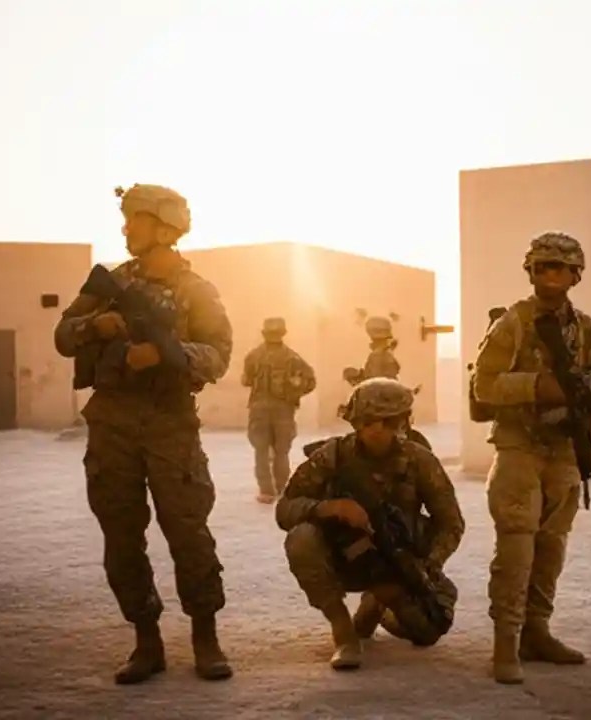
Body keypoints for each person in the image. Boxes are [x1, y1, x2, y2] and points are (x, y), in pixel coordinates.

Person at [53, 183, 235, 684]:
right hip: (112, 421)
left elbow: (219, 354)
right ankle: (146, 640)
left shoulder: (197, 291)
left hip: (170, 422)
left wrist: (165, 353)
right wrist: (99, 326)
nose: (125, 227)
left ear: (163, 226)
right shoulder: (108, 283)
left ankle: (205, 636)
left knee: (187, 531)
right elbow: (63, 335)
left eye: (134, 218)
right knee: (120, 535)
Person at [468, 231, 591, 684]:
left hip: (564, 450)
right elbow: (484, 387)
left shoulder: (586, 330)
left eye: (561, 267)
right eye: (543, 267)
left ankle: (537, 631)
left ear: (576, 275)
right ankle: (505, 645)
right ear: (530, 272)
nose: (551, 275)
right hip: (519, 447)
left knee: (550, 547)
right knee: (517, 544)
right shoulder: (514, 322)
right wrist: (536, 386)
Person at [276, 378, 464, 670]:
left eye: (388, 421)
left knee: (427, 630)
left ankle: (376, 604)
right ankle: (342, 629)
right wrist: (329, 507)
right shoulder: (333, 456)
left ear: (403, 422)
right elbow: (285, 509)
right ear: (355, 421)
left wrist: (426, 567)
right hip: (342, 554)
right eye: (369, 420)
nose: (377, 429)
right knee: (301, 538)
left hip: (394, 557)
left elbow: (450, 524)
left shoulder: (420, 461)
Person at [241, 317, 316, 503]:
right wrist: (294, 392)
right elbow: (310, 382)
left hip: (260, 408)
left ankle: (266, 491)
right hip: (283, 409)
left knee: (261, 450)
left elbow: (246, 380)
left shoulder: (254, 355)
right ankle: (281, 488)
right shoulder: (293, 358)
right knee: (281, 451)